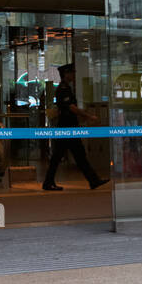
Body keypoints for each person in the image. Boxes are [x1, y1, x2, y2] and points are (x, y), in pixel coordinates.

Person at [44, 63, 109, 191]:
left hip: (69, 126)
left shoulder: (67, 87)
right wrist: (88, 116)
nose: (74, 75)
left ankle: (93, 180)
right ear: (66, 74)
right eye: (72, 72)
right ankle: (48, 182)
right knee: (61, 156)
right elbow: (71, 107)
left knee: (77, 155)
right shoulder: (63, 89)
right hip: (66, 127)